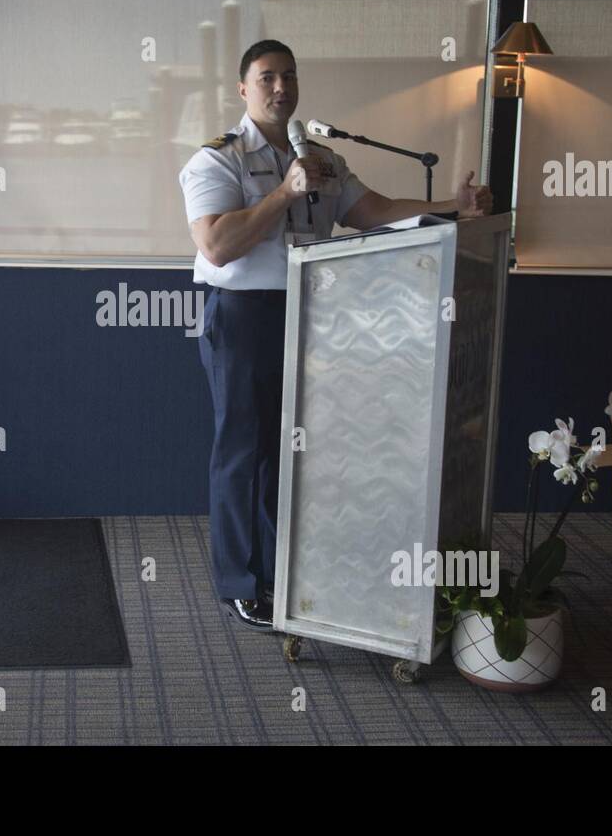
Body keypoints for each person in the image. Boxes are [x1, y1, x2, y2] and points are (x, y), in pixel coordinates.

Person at [180, 39, 493, 631]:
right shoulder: (216, 160)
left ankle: (286, 569)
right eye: (267, 78)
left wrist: (455, 208)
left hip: (319, 314)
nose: (281, 88)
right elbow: (218, 245)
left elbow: (373, 211)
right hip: (246, 316)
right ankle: (242, 582)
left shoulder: (320, 158)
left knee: (298, 452)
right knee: (245, 451)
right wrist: (285, 192)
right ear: (242, 90)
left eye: (289, 77)